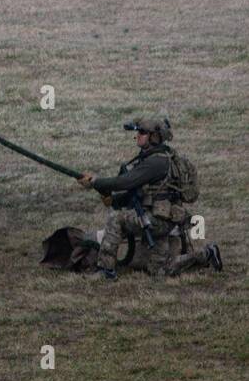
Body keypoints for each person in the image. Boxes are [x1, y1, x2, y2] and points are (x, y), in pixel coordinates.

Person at [77, 118, 221, 280]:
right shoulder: (157, 158)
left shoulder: (156, 162)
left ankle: (106, 271)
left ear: (154, 137)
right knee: (158, 271)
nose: (138, 135)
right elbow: (141, 192)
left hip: (156, 221)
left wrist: (95, 182)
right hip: (162, 219)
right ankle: (207, 254)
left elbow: (126, 182)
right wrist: (115, 200)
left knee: (116, 219)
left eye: (142, 132)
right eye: (138, 132)